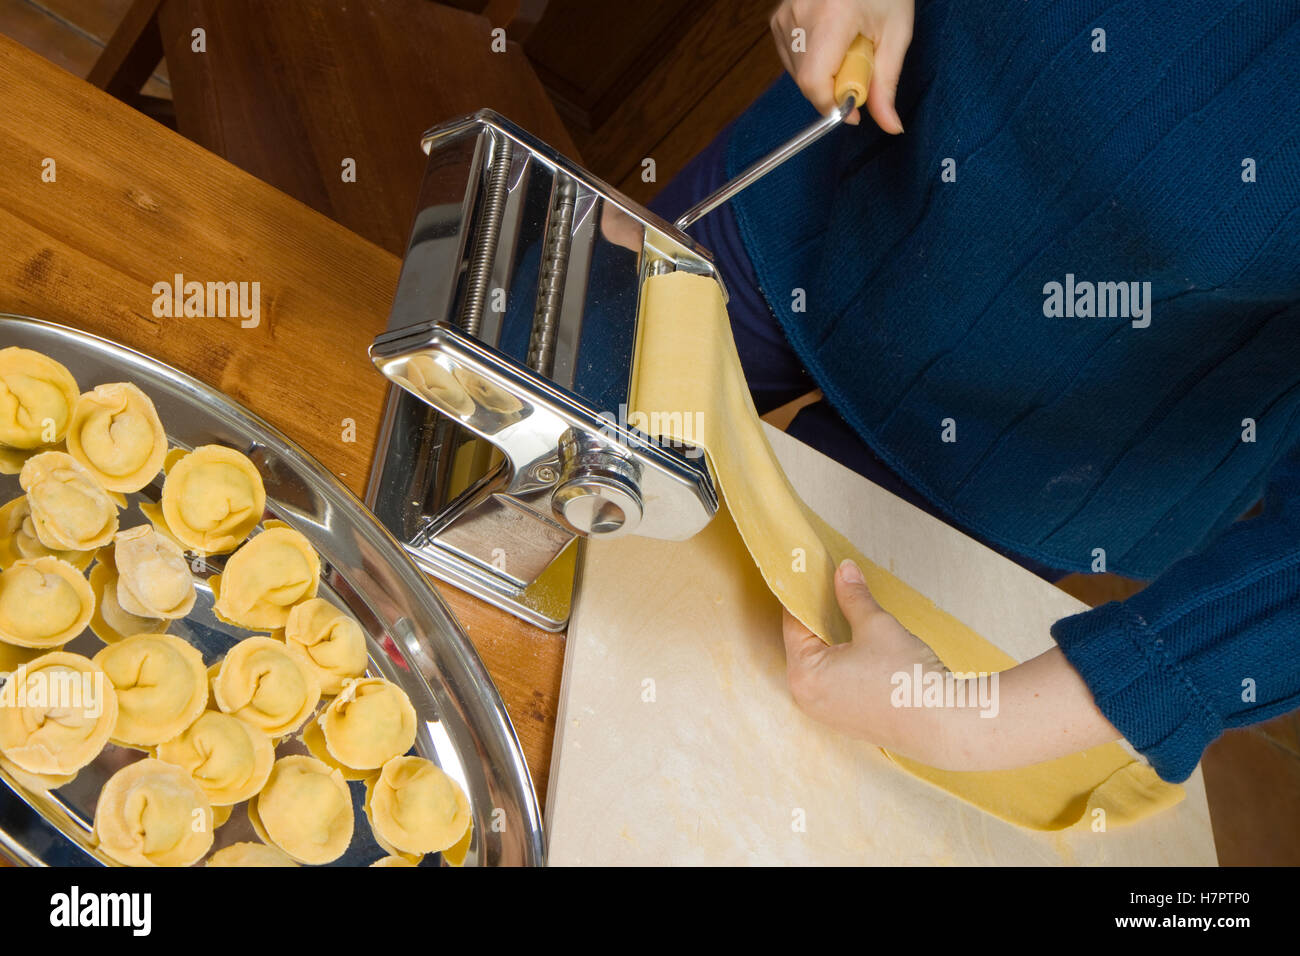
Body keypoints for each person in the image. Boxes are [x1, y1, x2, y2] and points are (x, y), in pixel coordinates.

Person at [648, 0, 1300, 783]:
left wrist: (977, 727)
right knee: (507, 450)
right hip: (827, 170)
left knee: (712, 729)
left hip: (1046, 453)